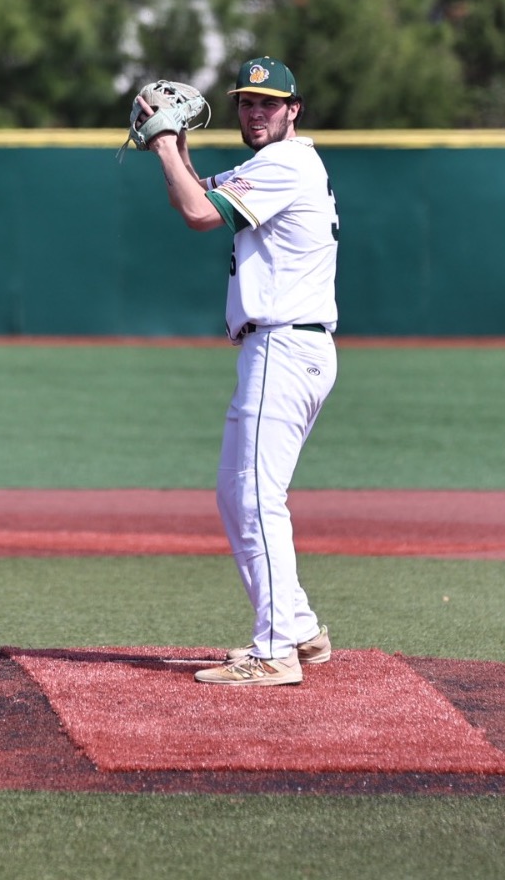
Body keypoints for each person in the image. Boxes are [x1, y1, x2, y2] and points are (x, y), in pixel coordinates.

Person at [142, 56, 339, 686]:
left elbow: (200, 216)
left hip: (285, 346)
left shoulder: (286, 163)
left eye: (268, 103)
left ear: (293, 109)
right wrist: (173, 149)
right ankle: (299, 630)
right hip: (284, 347)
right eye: (247, 103)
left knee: (255, 495)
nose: (256, 112)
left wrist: (167, 141)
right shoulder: (271, 165)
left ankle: (277, 648)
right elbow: (201, 197)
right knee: (239, 492)